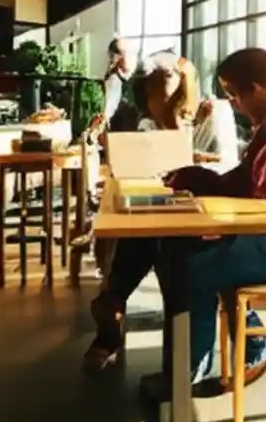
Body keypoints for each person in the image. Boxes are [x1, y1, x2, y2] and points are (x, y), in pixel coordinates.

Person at [87, 49, 266, 392]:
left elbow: (252, 188)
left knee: (191, 266)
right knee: (180, 249)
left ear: (256, 88)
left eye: (234, 94)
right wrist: (197, 177)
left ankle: (190, 374)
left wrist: (198, 179)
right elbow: (247, 178)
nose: (235, 104)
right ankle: (206, 362)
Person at [82, 54, 219, 371]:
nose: (162, 99)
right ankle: (113, 306)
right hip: (167, 211)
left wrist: (175, 126)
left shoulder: (209, 118)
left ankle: (112, 308)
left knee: (152, 246)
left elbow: (220, 165)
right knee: (147, 238)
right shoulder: (146, 125)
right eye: (156, 93)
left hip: (207, 217)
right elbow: (146, 169)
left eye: (169, 90)